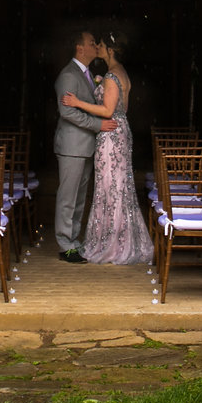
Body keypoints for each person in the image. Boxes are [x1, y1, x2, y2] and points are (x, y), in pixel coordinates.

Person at [62, 31, 155, 265]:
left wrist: (77, 102)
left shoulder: (112, 76)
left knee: (110, 188)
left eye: (101, 45)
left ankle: (113, 244)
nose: (98, 48)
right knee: (118, 186)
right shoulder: (120, 73)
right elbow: (123, 110)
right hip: (120, 130)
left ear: (110, 51)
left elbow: (107, 111)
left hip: (110, 134)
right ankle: (120, 239)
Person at [53, 29, 116, 263]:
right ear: (80, 48)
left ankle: (73, 241)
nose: (95, 46)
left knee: (79, 198)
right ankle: (64, 245)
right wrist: (98, 125)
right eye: (91, 43)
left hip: (84, 146)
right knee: (68, 197)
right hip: (72, 146)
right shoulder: (69, 75)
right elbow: (67, 111)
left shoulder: (89, 74)